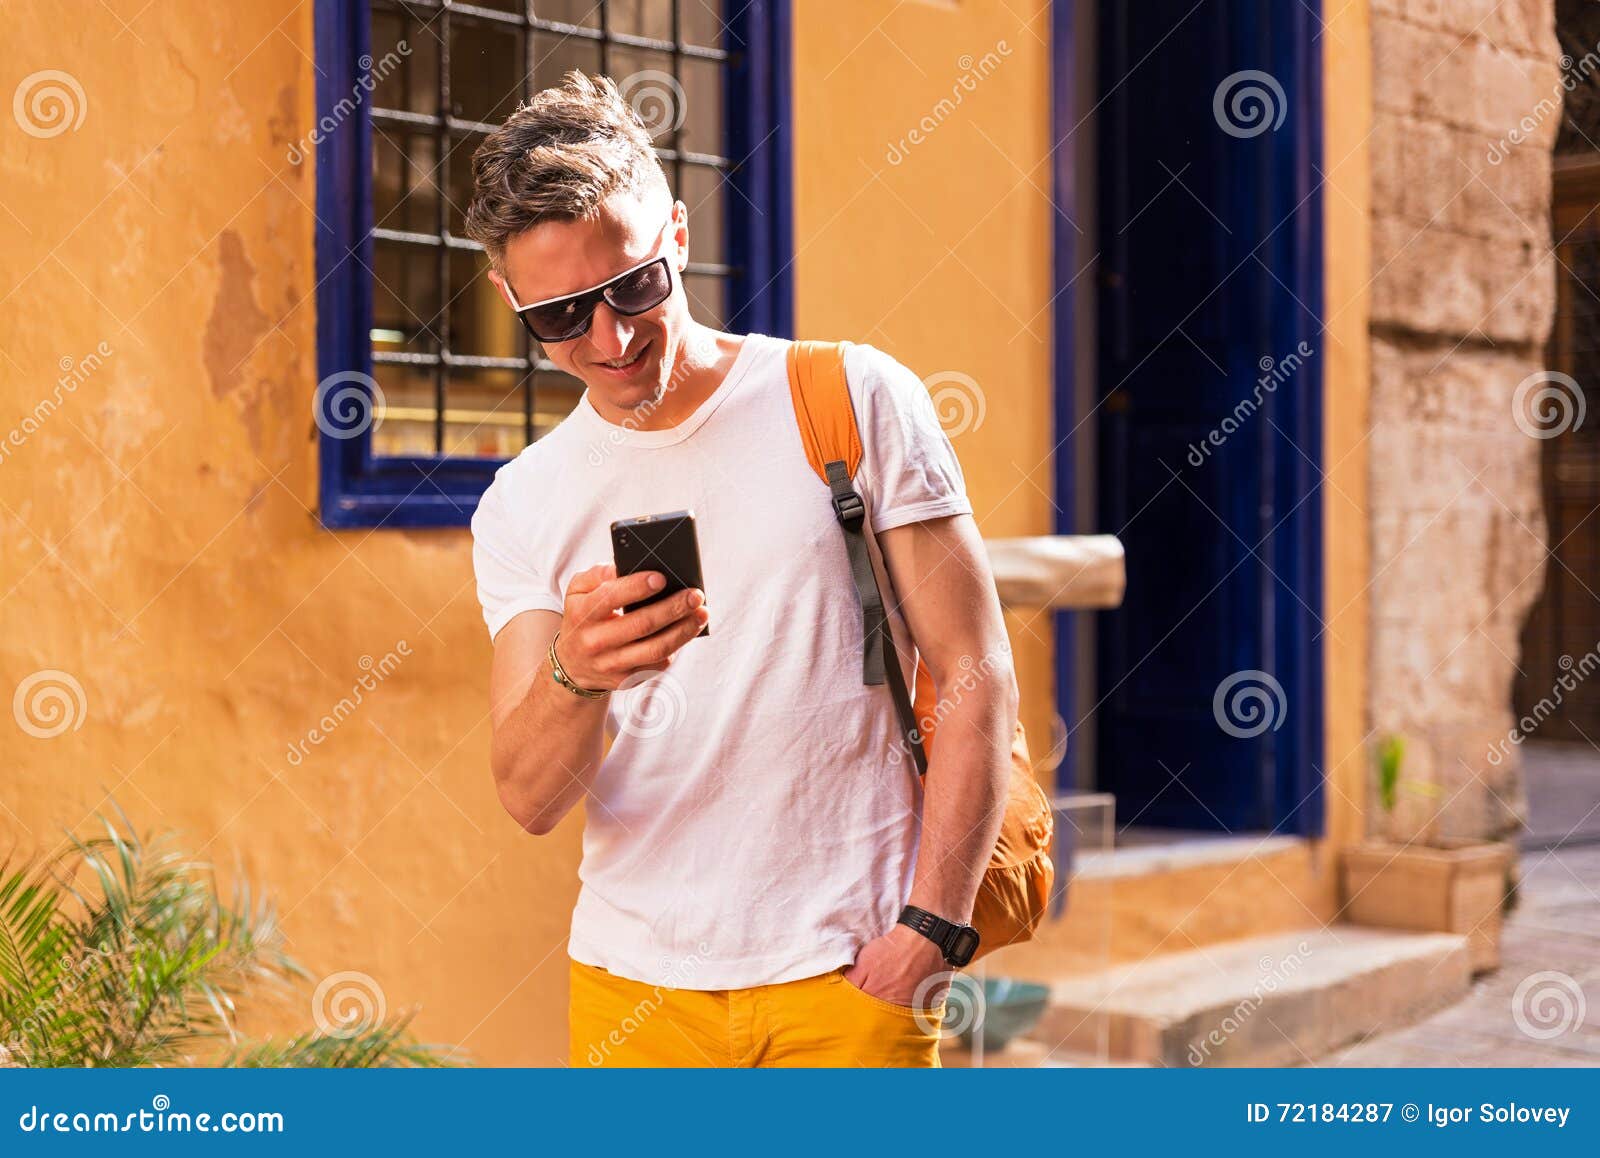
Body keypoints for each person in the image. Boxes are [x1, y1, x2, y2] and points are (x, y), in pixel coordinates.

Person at [465, 71, 1017, 1068]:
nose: (613, 338)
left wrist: (929, 930)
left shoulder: (848, 395)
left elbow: (976, 669)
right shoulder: (524, 500)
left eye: (631, 286)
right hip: (631, 992)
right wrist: (575, 676)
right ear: (509, 301)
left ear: (675, 235)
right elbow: (528, 798)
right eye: (560, 318)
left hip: (852, 973)